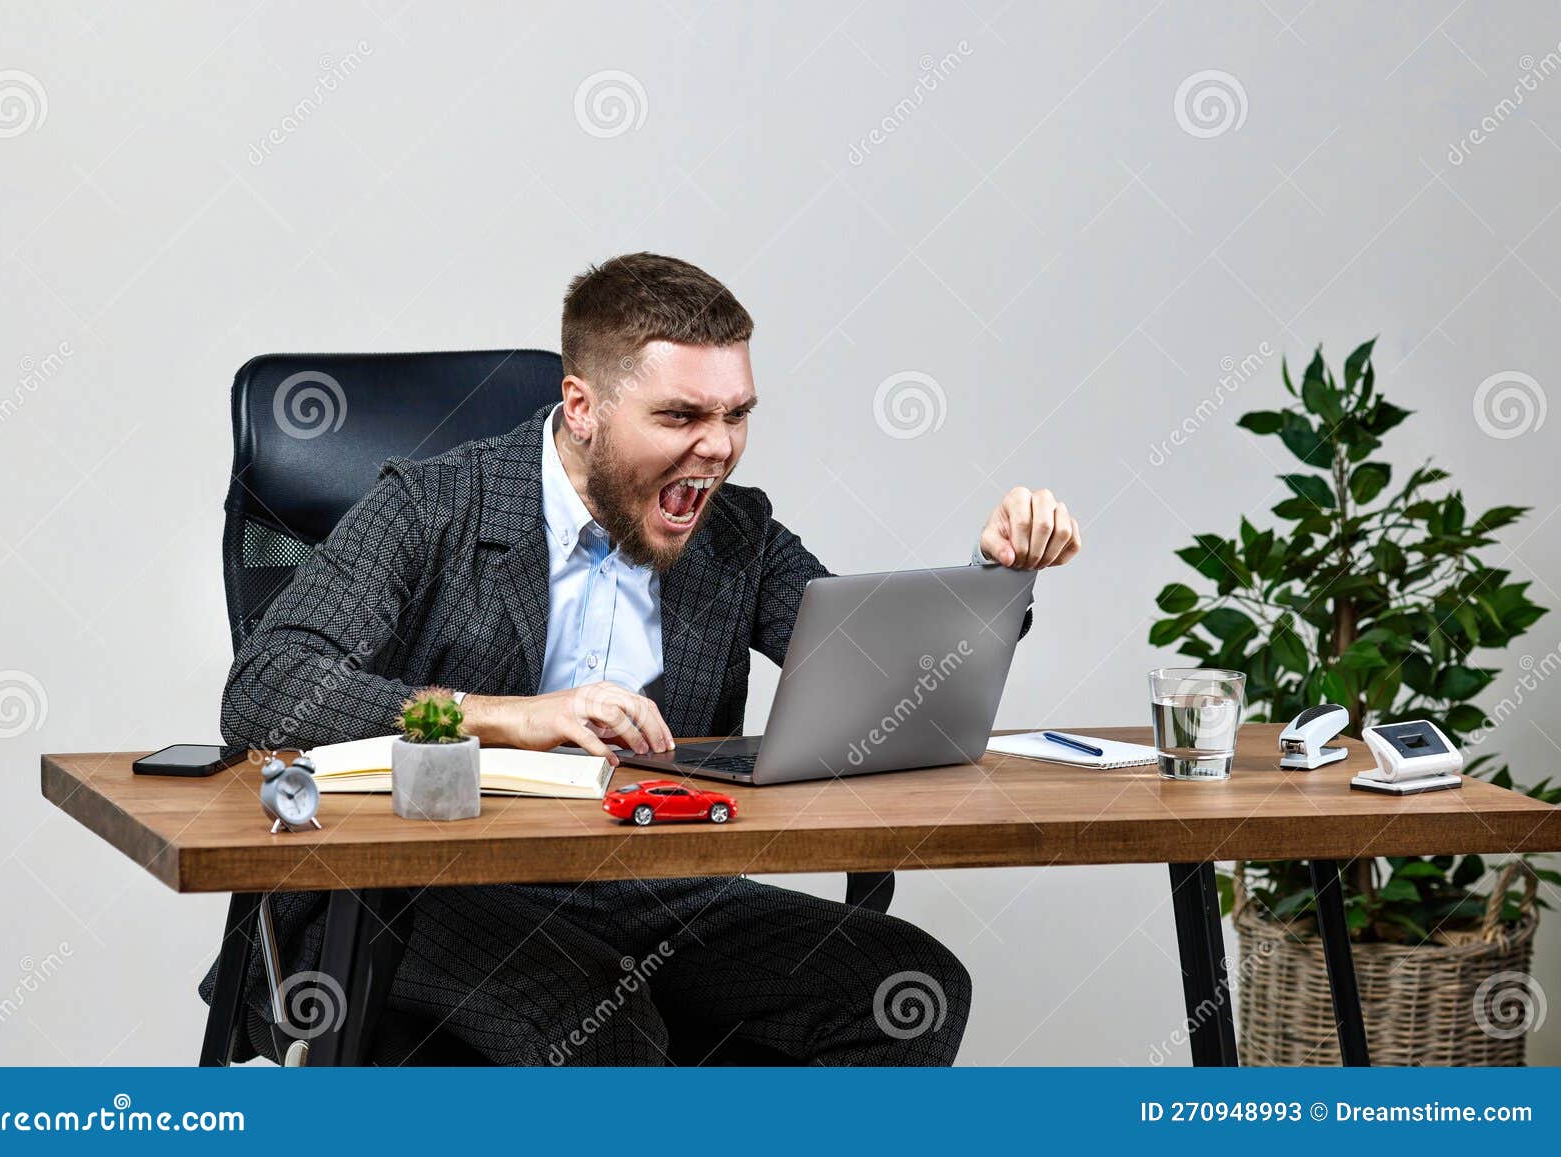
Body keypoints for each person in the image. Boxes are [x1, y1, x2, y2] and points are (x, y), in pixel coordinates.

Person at [201, 252, 1082, 1066]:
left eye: (737, 414)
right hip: (424, 888)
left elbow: (873, 672)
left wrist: (996, 579)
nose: (719, 447)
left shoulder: (734, 532)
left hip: (651, 884)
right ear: (582, 408)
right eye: (682, 416)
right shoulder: (431, 504)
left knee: (904, 991)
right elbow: (267, 691)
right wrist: (510, 714)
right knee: (605, 1030)